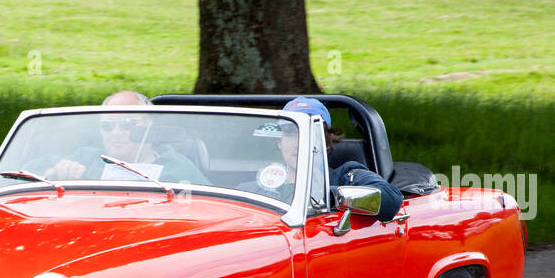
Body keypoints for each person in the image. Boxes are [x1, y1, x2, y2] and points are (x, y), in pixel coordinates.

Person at [240, 96, 403, 221]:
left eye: (309, 134)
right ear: (279, 142)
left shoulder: (346, 176)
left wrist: (330, 197)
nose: (299, 143)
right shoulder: (262, 184)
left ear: (326, 142)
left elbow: (392, 199)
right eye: (290, 134)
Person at [39, 90, 210, 186]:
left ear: (148, 125)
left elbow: (212, 206)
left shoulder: (175, 166)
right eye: (107, 126)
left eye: (127, 124)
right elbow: (24, 177)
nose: (116, 132)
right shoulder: (86, 157)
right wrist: (55, 171)